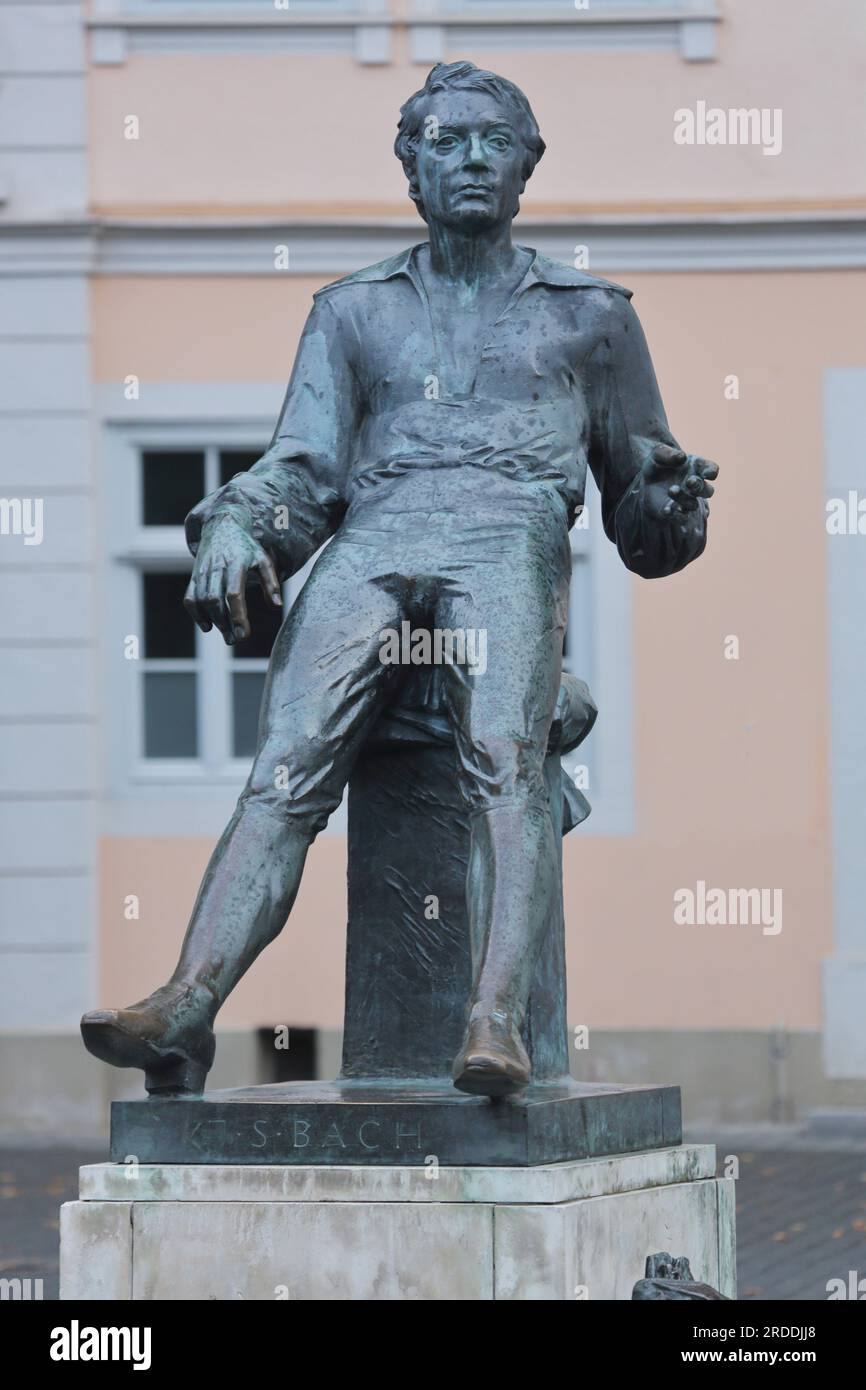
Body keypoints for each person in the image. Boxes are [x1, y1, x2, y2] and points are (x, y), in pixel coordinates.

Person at [81, 62, 718, 1099]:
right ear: (410, 168)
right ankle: (186, 1005)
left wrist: (674, 505)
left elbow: (641, 518)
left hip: (507, 535)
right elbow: (302, 472)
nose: (470, 159)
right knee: (282, 770)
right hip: (373, 540)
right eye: (446, 140)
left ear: (526, 167)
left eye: (492, 142)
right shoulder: (353, 313)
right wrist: (239, 524)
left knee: (503, 761)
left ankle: (493, 1022)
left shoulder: (590, 316)